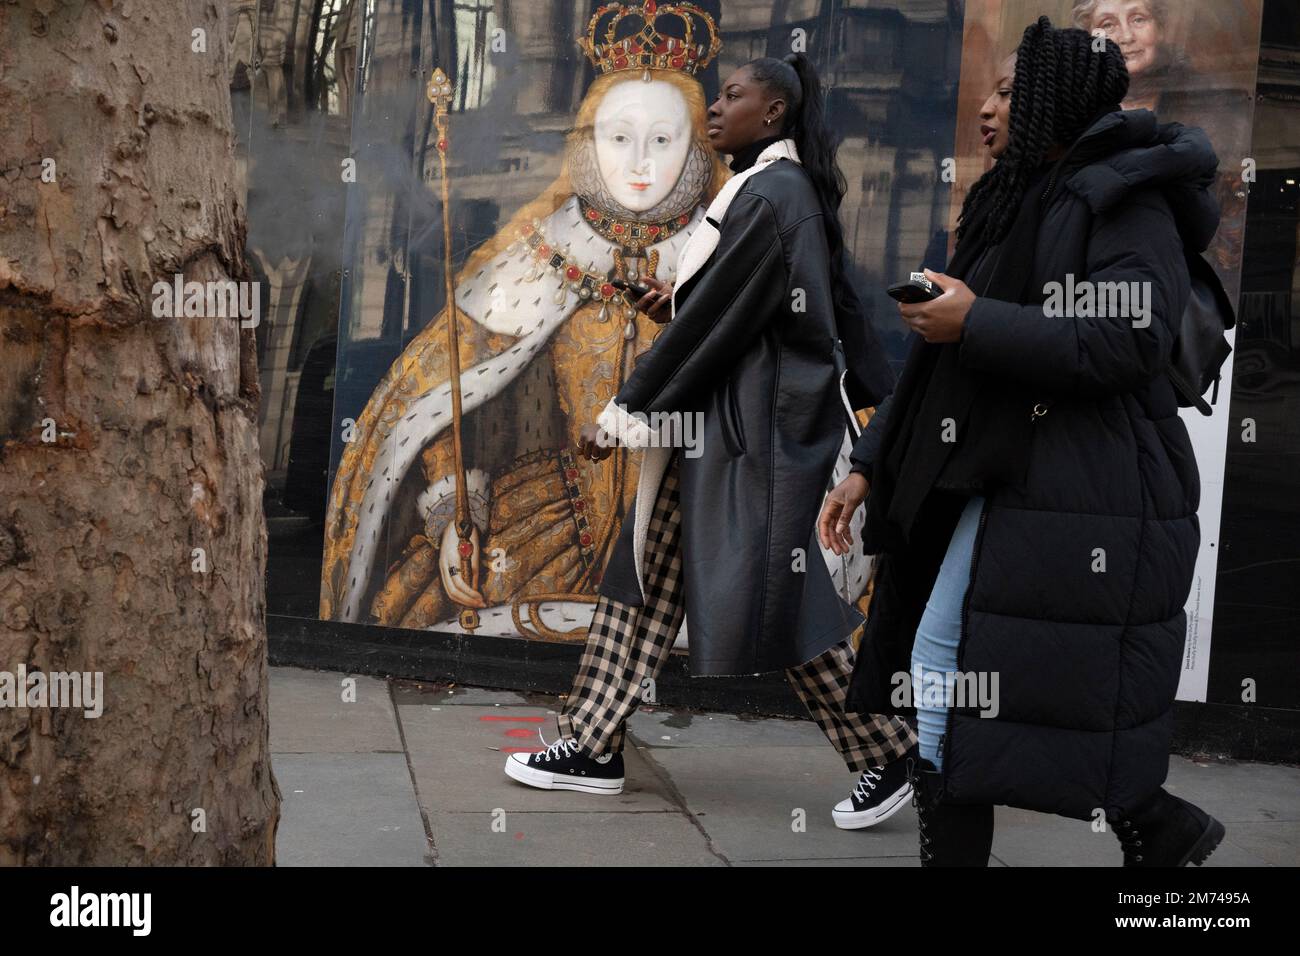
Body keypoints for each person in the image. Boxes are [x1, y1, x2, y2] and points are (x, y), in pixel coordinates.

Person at [820, 17, 1226, 865]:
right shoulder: (1012, 198)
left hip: (1084, 488)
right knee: (1014, 683)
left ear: (1055, 98)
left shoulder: (1124, 196)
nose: (988, 108)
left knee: (953, 670)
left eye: (1009, 91)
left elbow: (1132, 335)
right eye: (991, 91)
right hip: (1006, 477)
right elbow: (942, 366)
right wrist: (868, 465)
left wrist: (979, 320)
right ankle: (1159, 828)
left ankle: (1147, 828)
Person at [504, 51, 920, 830]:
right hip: (726, 437)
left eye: (733, 96)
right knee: (647, 580)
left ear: (773, 114)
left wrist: (623, 412)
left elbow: (718, 327)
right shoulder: (770, 192)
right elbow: (746, 310)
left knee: (783, 594)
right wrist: (683, 298)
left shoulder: (770, 194)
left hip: (747, 441)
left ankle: (890, 751)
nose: (715, 108)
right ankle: (591, 744)